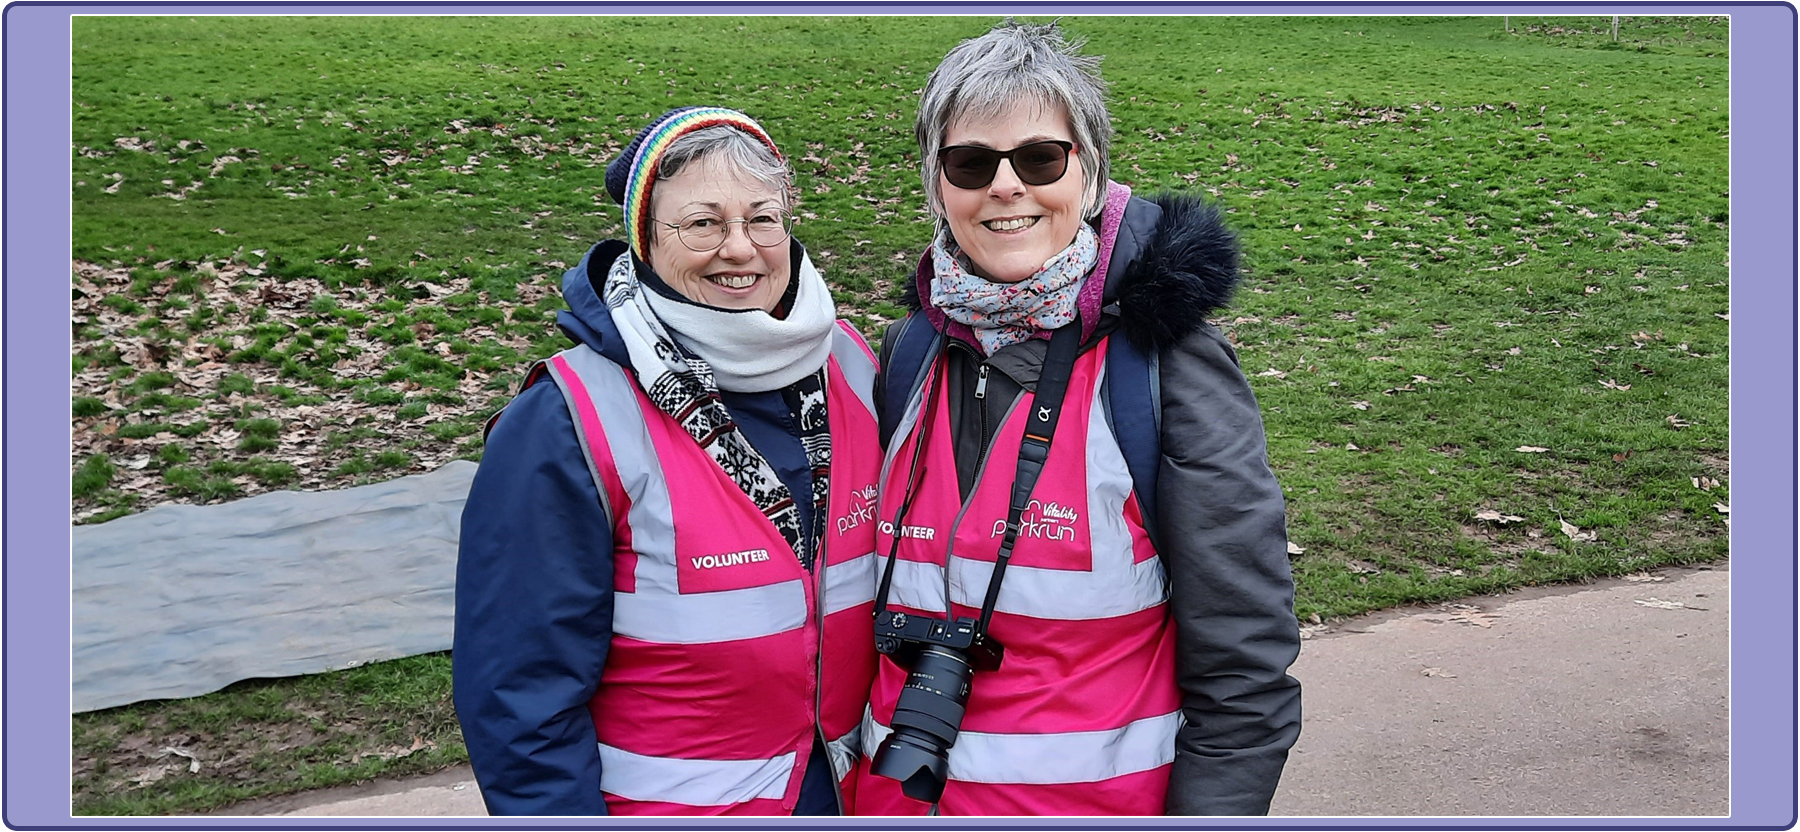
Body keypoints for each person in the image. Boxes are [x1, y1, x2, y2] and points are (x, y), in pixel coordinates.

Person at [850, 21, 1302, 816]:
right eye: (970, 162)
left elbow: (1244, 671)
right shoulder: (908, 353)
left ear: (1087, 175)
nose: (1005, 186)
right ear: (937, 185)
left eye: (1039, 158)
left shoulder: (1163, 369)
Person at [453, 107, 882, 816]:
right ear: (644, 241)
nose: (739, 249)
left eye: (762, 218)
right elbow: (520, 697)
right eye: (703, 224)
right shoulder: (565, 419)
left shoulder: (855, 365)